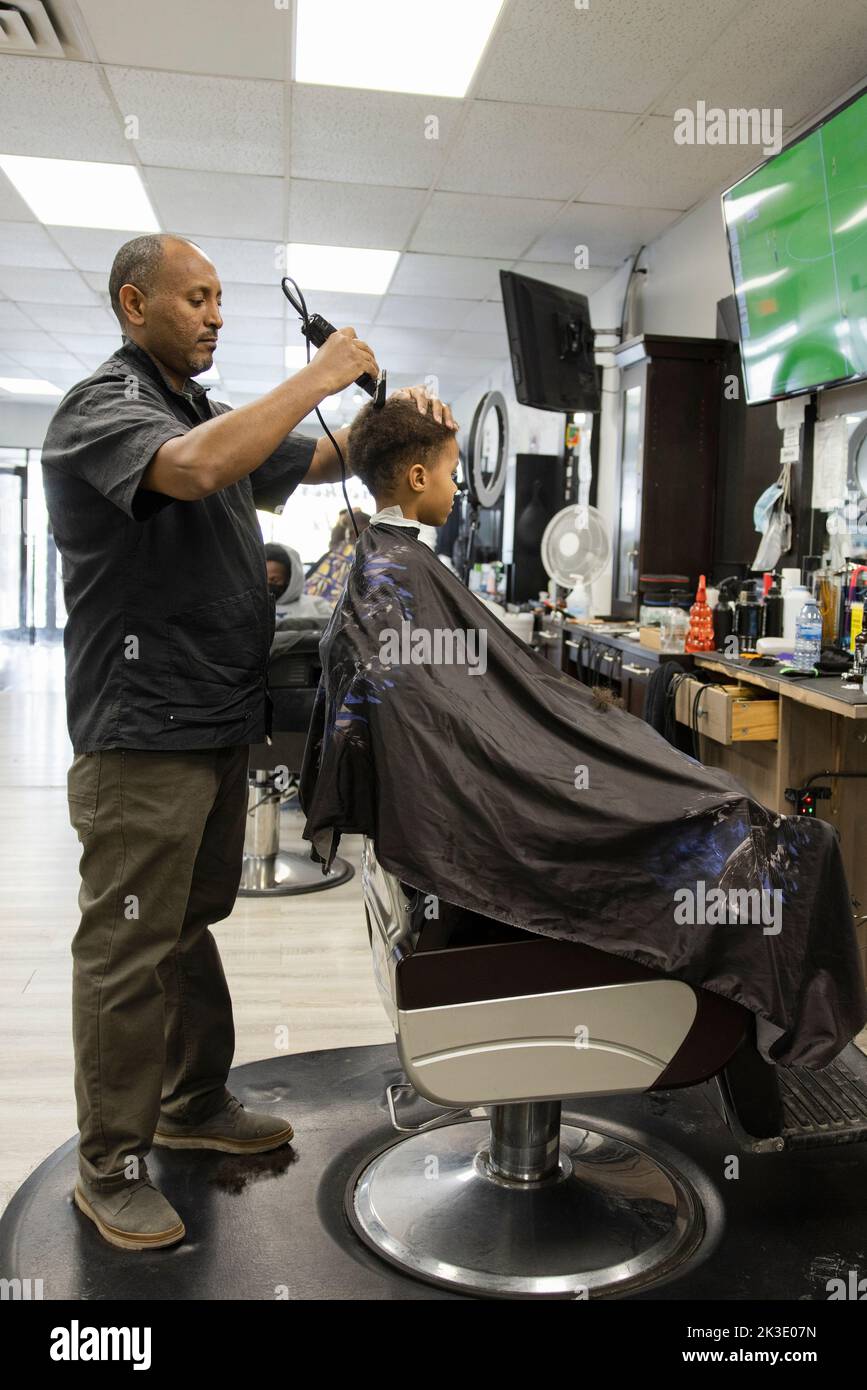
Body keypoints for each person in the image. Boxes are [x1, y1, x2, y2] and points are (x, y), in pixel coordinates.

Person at [41, 232, 457, 1252]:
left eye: (223, 297)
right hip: (143, 737)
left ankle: (191, 1102)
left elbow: (319, 456)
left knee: (189, 919)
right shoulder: (107, 411)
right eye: (197, 298)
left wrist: (399, 421)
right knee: (129, 947)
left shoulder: (204, 413)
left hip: (214, 721)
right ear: (134, 306)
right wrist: (317, 372)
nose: (217, 313)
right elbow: (190, 471)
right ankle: (111, 1165)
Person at [299, 397, 867, 1071]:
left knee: (709, 799)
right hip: (494, 845)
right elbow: (466, 730)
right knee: (763, 839)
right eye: (453, 474)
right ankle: (773, 1025)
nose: (458, 492)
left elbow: (466, 718)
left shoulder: (386, 570)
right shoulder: (400, 576)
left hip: (459, 841)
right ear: (418, 478)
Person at [305, 509, 371, 606]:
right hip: (337, 609)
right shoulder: (370, 553)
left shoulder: (340, 548)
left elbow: (334, 540)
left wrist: (344, 520)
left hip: (316, 603)